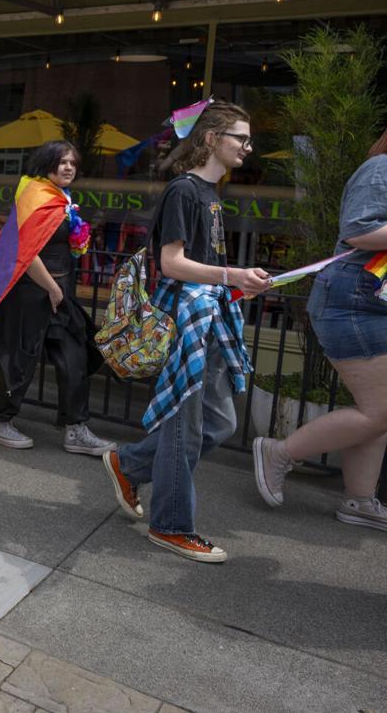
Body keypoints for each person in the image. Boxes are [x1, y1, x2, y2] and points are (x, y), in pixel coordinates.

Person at [254, 95, 387, 535]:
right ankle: (279, 452)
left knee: (378, 410)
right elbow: (360, 230)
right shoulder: (386, 167)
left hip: (382, 305)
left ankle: (360, 500)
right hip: (358, 300)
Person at [100, 99, 272, 563]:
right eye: (241, 137)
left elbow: (202, 267)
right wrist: (232, 276)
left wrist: (234, 283)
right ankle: (172, 525)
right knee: (187, 427)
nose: (248, 147)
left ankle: (129, 463)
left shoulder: (209, 195)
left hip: (208, 317)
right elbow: (171, 263)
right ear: (213, 138)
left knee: (218, 422)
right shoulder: (185, 191)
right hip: (187, 324)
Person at [0, 141, 112, 455]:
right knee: (20, 357)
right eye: (62, 161)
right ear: (46, 163)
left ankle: (75, 429)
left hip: (58, 294)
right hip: (33, 294)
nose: (69, 167)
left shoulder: (59, 198)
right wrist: (52, 288)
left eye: (73, 163)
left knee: (74, 356)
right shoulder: (35, 195)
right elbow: (24, 250)